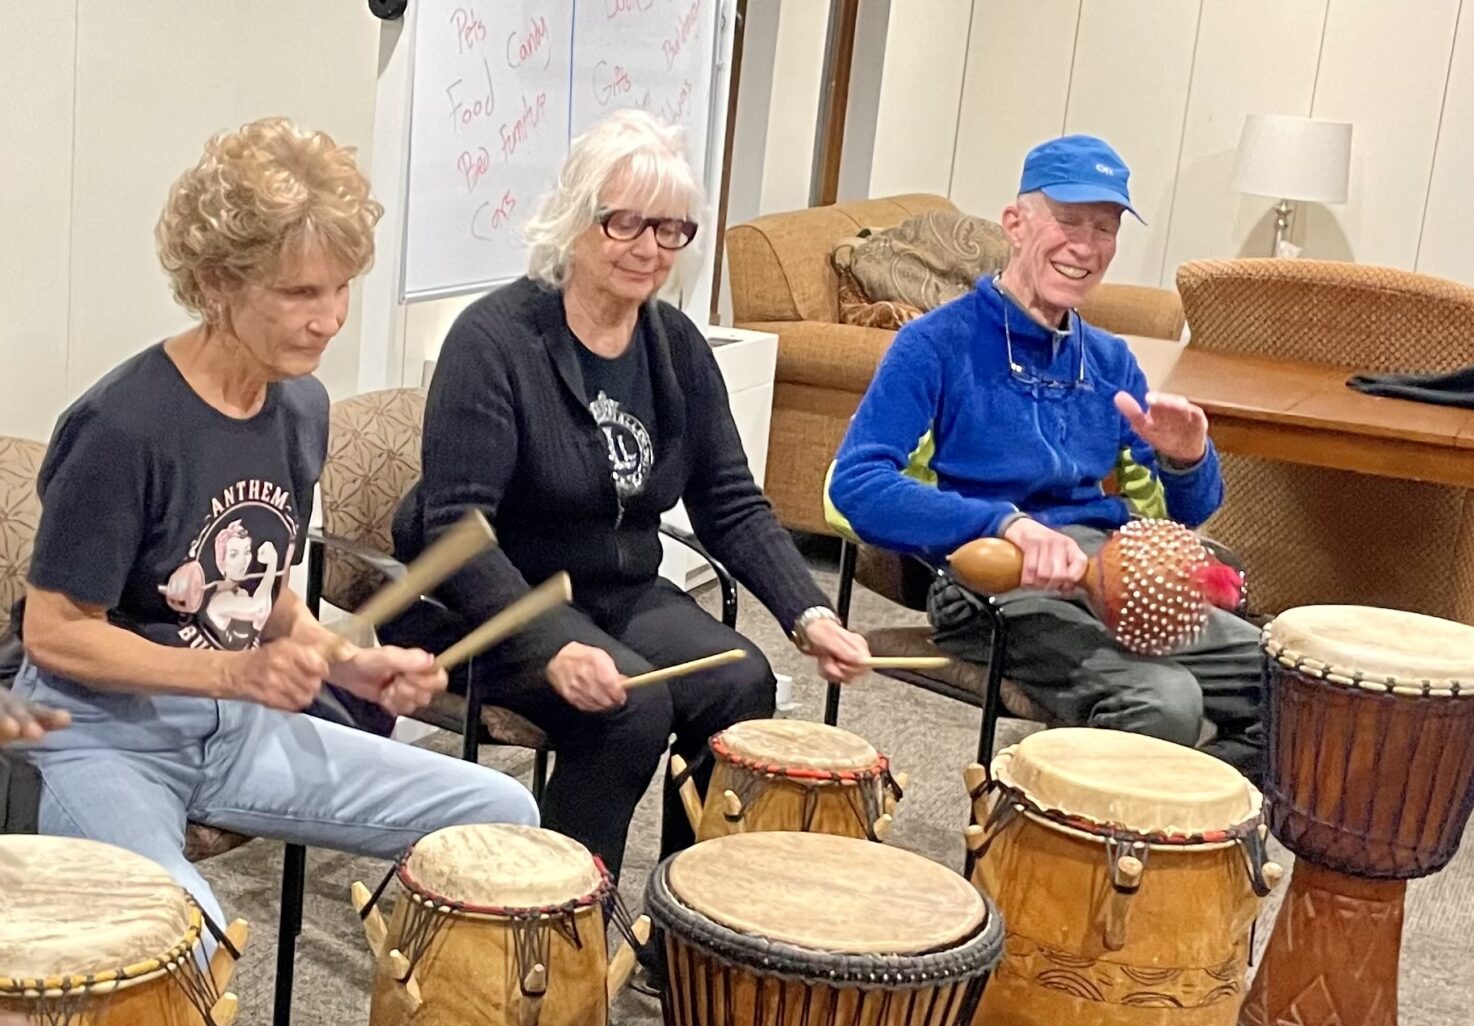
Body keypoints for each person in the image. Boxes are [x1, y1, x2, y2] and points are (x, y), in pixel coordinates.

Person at [7, 118, 537, 939]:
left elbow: (260, 594)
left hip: (231, 725)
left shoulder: (300, 404)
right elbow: (56, 635)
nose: (329, 319)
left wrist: (353, 665)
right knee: (183, 942)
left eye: (340, 289)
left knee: (500, 813)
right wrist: (237, 676)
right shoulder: (124, 428)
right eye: (299, 293)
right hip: (99, 735)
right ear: (219, 280)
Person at [389, 108, 871, 894]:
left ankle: (685, 912)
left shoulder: (673, 344)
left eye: (671, 230)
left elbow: (730, 501)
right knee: (628, 714)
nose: (649, 249)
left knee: (742, 682)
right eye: (625, 224)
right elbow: (457, 529)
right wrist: (550, 646)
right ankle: (553, 924)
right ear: (576, 219)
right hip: (490, 601)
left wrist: (807, 613)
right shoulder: (495, 340)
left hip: (612, 591)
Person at [828, 134, 1263, 776]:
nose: (1085, 247)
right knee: (1166, 701)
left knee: (1286, 681)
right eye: (1067, 221)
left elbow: (1191, 511)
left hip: (1114, 576)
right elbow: (856, 486)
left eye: (1105, 229)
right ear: (1016, 223)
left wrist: (1187, 458)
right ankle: (1062, 852)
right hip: (992, 583)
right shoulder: (936, 344)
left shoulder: (1110, 360)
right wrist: (1004, 523)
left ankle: (1179, 826)